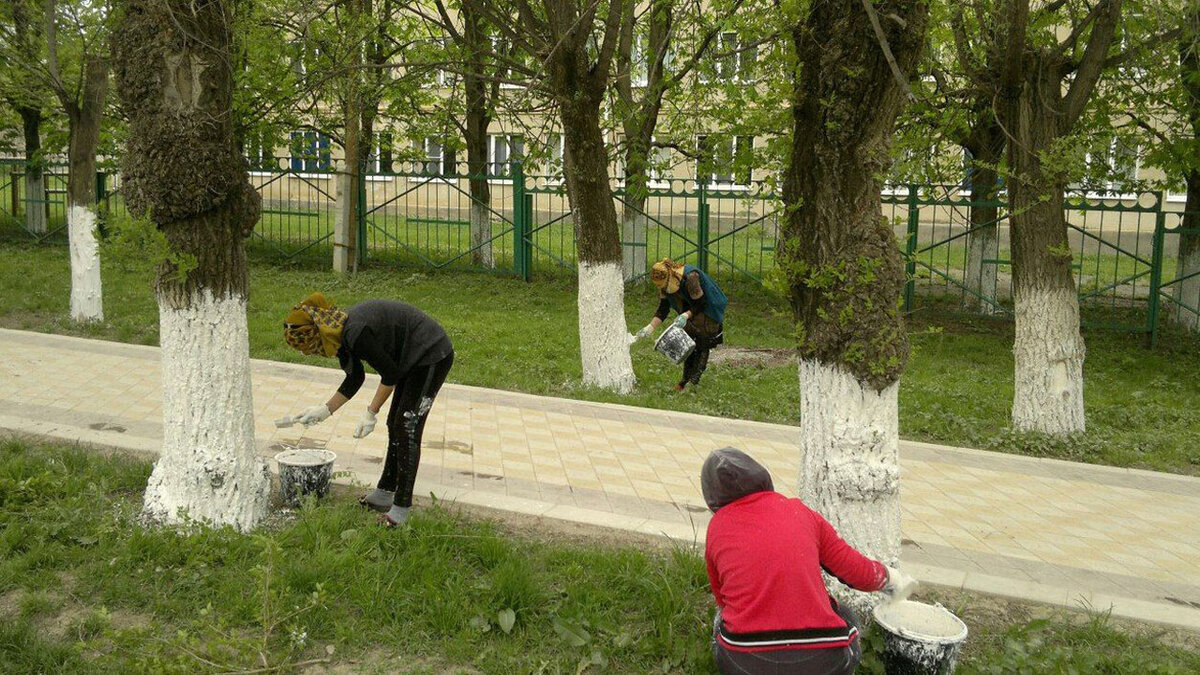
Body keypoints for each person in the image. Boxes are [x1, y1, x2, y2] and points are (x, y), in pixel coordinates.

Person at [701, 447, 917, 675]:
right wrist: (892, 581)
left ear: (713, 500)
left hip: (746, 661)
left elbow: (722, 599)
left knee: (720, 621)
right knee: (845, 614)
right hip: (824, 661)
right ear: (764, 479)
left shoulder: (717, 528)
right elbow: (855, 571)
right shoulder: (800, 512)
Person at [284, 292, 454, 527]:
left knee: (407, 427)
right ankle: (385, 493)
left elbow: (390, 375)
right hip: (408, 358)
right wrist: (325, 410)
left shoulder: (355, 332)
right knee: (395, 423)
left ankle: (401, 511)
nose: (313, 353)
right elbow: (355, 378)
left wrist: (370, 412)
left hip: (430, 353)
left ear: (318, 334)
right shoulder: (339, 333)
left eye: (312, 348)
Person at [634, 258, 728, 390]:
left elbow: (701, 303)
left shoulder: (691, 278)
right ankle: (684, 381)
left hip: (709, 308)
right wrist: (650, 327)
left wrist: (685, 315)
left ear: (670, 276)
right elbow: (663, 308)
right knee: (688, 342)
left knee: (702, 339)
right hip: (692, 308)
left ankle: (693, 382)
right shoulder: (664, 285)